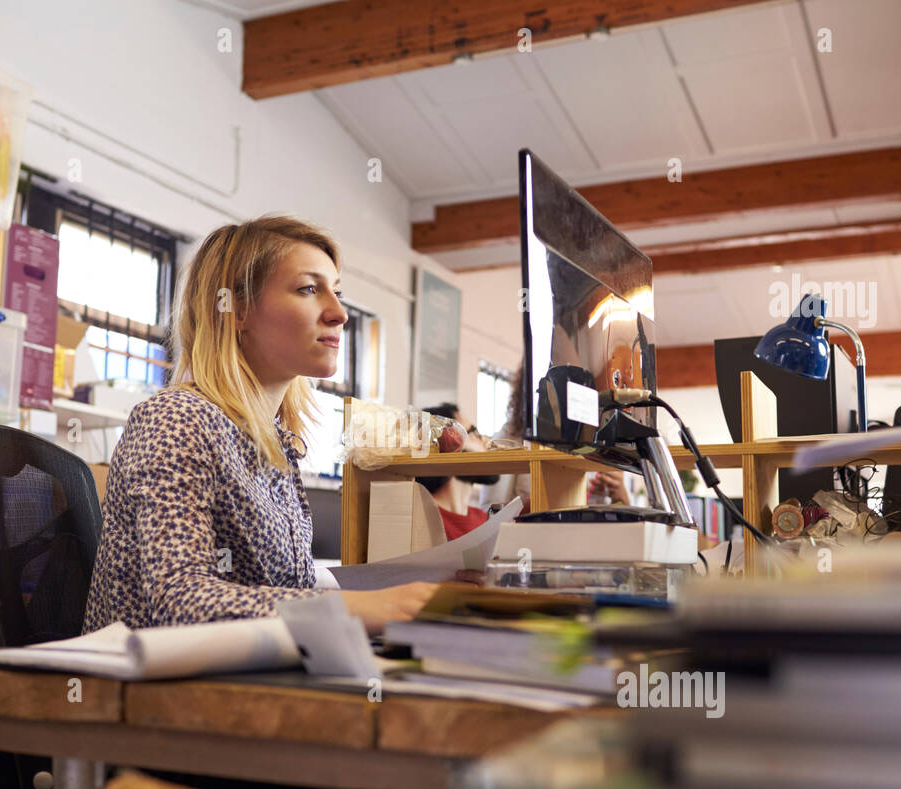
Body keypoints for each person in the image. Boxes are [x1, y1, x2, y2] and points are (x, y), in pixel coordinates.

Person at [82, 216, 435, 636]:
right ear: (236, 310)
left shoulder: (272, 440)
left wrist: (405, 586)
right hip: (152, 690)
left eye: (336, 292)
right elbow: (181, 600)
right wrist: (362, 607)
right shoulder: (176, 419)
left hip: (242, 671)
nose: (339, 314)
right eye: (309, 289)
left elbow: (291, 585)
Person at [481, 363, 630, 512]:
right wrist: (549, 500)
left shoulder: (593, 443)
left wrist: (621, 497)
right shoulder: (509, 437)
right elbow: (490, 512)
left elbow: (610, 519)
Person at [414, 403, 498, 539]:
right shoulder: (421, 522)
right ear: (445, 445)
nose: (487, 441)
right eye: (473, 433)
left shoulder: (484, 521)